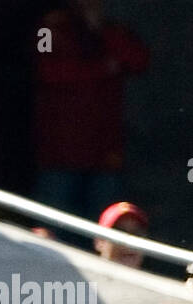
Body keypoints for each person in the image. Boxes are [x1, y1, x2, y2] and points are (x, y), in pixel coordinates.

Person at [33, 0, 148, 220]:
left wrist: (98, 29)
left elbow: (138, 60)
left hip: (104, 151)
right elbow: (47, 72)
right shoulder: (50, 29)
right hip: (60, 150)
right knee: (55, 223)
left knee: (104, 222)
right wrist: (104, 68)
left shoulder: (111, 30)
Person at [94, 201, 148, 269]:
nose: (129, 242)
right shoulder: (79, 277)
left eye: (136, 234)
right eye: (120, 232)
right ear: (99, 241)